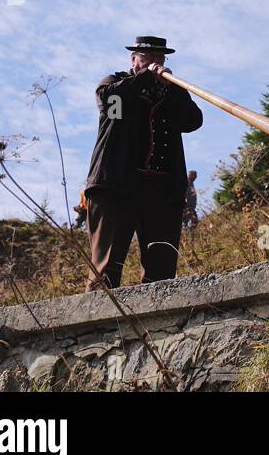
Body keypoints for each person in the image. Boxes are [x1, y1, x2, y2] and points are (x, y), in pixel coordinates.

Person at [83, 36, 203, 291]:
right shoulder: (114, 84)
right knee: (106, 268)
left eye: (160, 58)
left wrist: (176, 89)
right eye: (148, 57)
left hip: (162, 191)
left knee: (161, 269)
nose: (155, 63)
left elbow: (192, 121)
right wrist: (145, 79)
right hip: (117, 187)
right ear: (133, 59)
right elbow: (111, 107)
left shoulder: (171, 93)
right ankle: (101, 324)